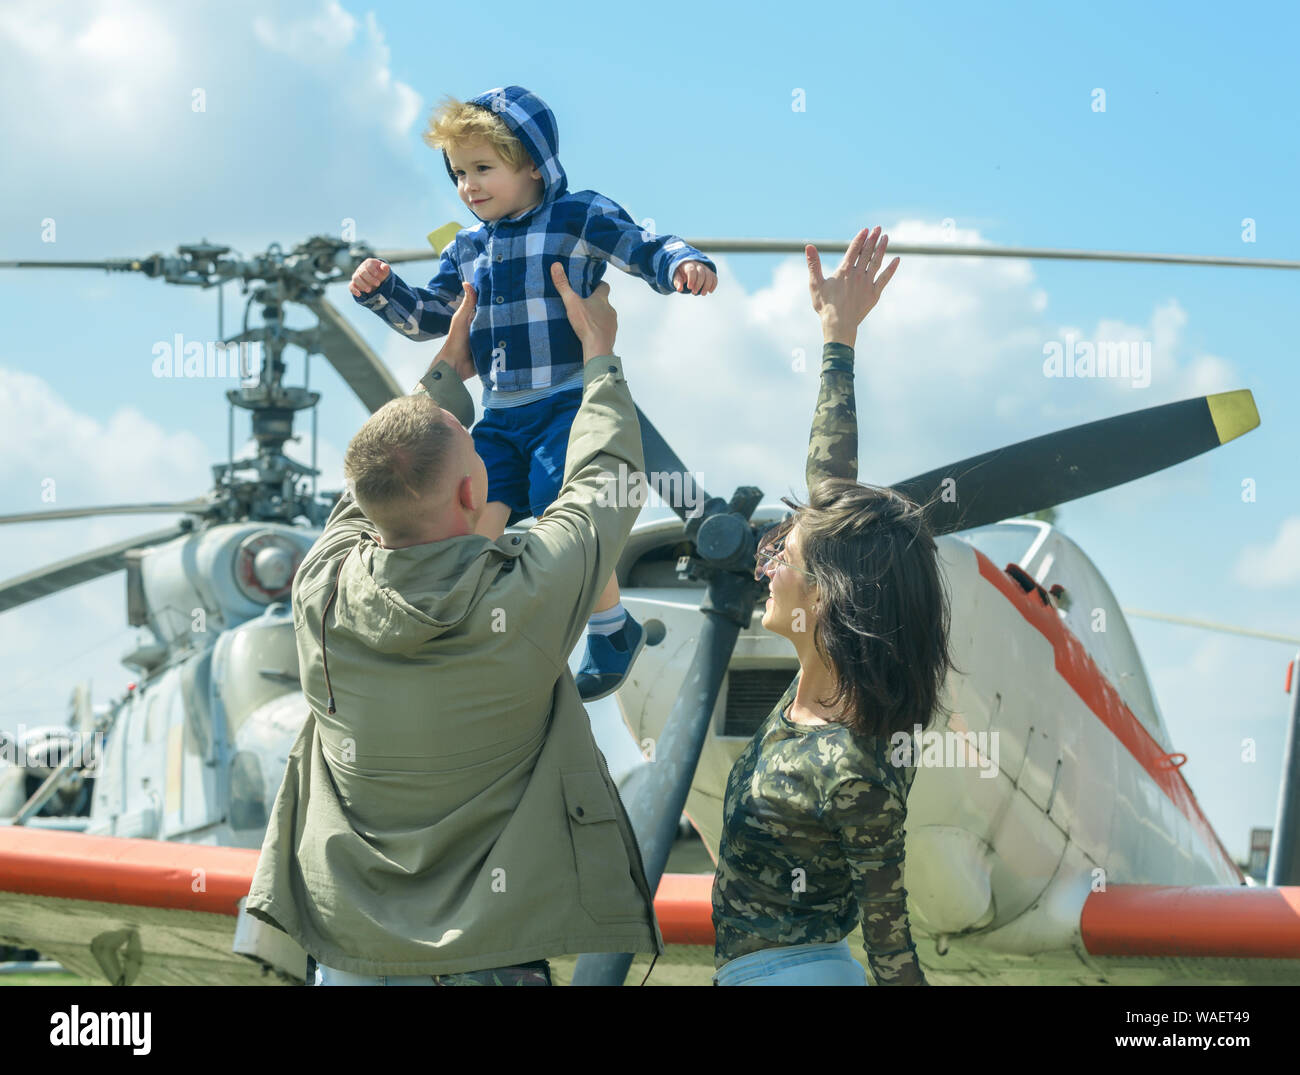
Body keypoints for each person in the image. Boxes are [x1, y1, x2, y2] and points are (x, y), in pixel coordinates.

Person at [244, 263, 663, 985]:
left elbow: (371, 494)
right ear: (475, 490)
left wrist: (443, 375)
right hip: (492, 952)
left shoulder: (319, 588)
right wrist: (600, 359)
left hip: (349, 954)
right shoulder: (528, 587)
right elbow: (603, 483)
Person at [349, 84, 717, 702]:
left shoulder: (576, 215)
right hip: (500, 414)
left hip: (566, 401)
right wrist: (384, 291)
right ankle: (468, 627)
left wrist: (681, 265)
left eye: (483, 169)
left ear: (532, 166)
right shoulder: (467, 247)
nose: (468, 187)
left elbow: (643, 246)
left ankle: (609, 626)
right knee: (469, 518)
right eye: (459, 174)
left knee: (559, 506)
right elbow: (432, 320)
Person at [711, 227, 955, 986]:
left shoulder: (853, 765)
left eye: (786, 556)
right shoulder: (818, 692)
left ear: (826, 599)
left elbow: (892, 949)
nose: (767, 559)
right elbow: (830, 492)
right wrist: (838, 338)